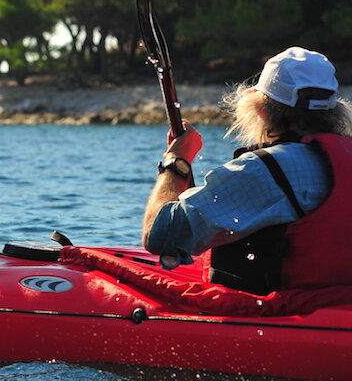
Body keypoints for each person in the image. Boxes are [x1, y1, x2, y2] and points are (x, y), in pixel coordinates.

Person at [142, 47, 352, 294]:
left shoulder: (265, 170)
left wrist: (176, 162)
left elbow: (160, 235)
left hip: (284, 315)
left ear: (262, 109)